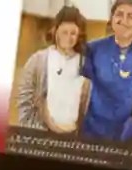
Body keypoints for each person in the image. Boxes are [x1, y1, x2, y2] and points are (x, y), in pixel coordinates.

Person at [79, 0, 132, 143]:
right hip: (90, 131)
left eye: (131, 16)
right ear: (112, 19)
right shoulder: (93, 48)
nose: (124, 20)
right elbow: (82, 93)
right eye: (119, 14)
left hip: (124, 135)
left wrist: (126, 138)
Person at [14, 6, 89, 134]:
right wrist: (34, 131)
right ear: (56, 31)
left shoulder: (85, 63)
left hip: (73, 137)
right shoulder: (38, 60)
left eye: (73, 33)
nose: (68, 37)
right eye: (65, 32)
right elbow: (24, 100)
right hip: (41, 134)